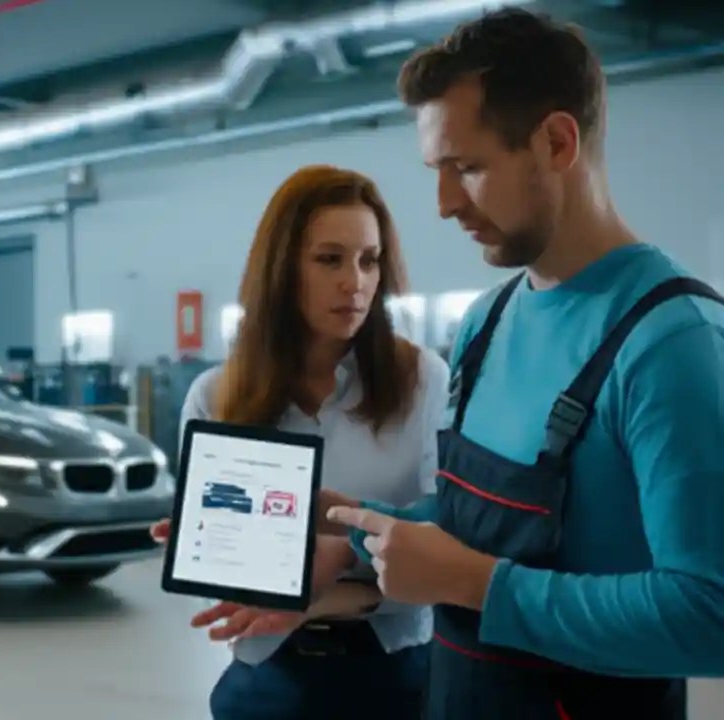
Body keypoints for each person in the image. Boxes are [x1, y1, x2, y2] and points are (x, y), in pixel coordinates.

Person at [200, 8, 724, 719]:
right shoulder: (487, 322)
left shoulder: (673, 344)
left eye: (468, 168)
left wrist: (482, 586)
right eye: (437, 172)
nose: (444, 204)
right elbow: (465, 518)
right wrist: (349, 523)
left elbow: (709, 616)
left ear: (557, 142)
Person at [153, 164, 450, 719]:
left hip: (398, 682)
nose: (355, 282)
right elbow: (221, 590)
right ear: (282, 269)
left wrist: (314, 583)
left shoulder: (423, 381)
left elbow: (443, 550)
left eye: (369, 260)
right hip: (267, 686)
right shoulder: (216, 396)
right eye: (329, 259)